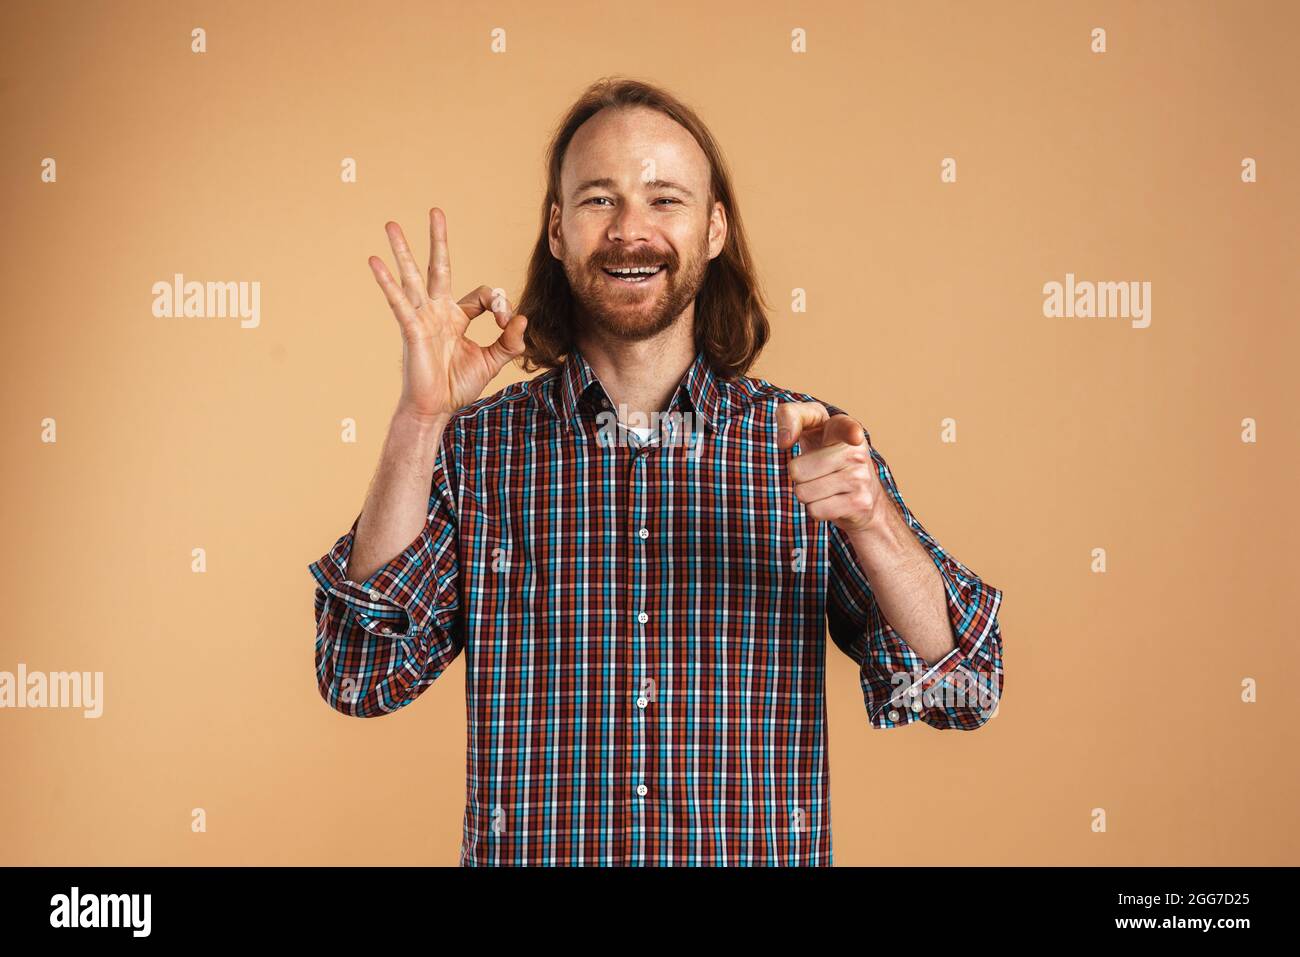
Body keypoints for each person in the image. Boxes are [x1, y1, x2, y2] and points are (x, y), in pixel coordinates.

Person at [308, 77, 1005, 866]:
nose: (629, 232)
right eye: (599, 200)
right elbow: (358, 675)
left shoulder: (806, 445)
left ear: (712, 230)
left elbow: (967, 687)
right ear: (558, 230)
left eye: (664, 199)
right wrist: (420, 419)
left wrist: (873, 524)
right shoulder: (477, 452)